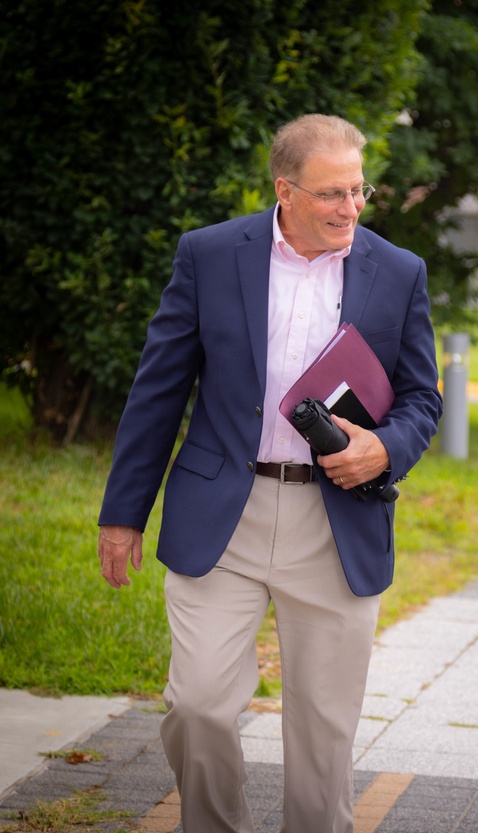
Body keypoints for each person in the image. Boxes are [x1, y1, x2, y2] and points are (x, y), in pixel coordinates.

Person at [97, 113, 443, 833]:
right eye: (331, 195)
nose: (350, 208)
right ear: (285, 190)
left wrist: (386, 449)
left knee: (323, 732)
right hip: (224, 512)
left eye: (359, 190)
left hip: (337, 520)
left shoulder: (399, 271)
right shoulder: (211, 254)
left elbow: (420, 398)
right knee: (197, 704)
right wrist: (123, 511)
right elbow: (159, 389)